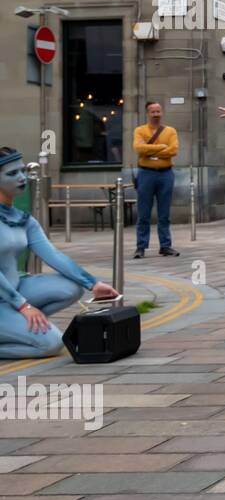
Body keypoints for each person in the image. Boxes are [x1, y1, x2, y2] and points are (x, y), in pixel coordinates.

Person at [0, 147, 119, 358]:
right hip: (10, 297)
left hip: (14, 291)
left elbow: (53, 255)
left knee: (71, 287)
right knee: (52, 344)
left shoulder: (22, 219)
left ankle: (23, 327)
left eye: (22, 171)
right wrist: (24, 306)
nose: (21, 177)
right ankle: (26, 327)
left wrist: (93, 283)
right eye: (12, 173)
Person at [132, 100, 180, 259]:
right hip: (146, 174)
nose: (156, 114)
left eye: (158, 111)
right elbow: (139, 148)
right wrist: (161, 148)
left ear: (162, 112)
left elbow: (173, 150)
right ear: (147, 113)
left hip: (165, 174)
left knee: (164, 213)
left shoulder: (170, 131)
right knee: (143, 212)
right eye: (153, 112)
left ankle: (165, 246)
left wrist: (150, 152)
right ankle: (141, 246)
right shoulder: (140, 130)